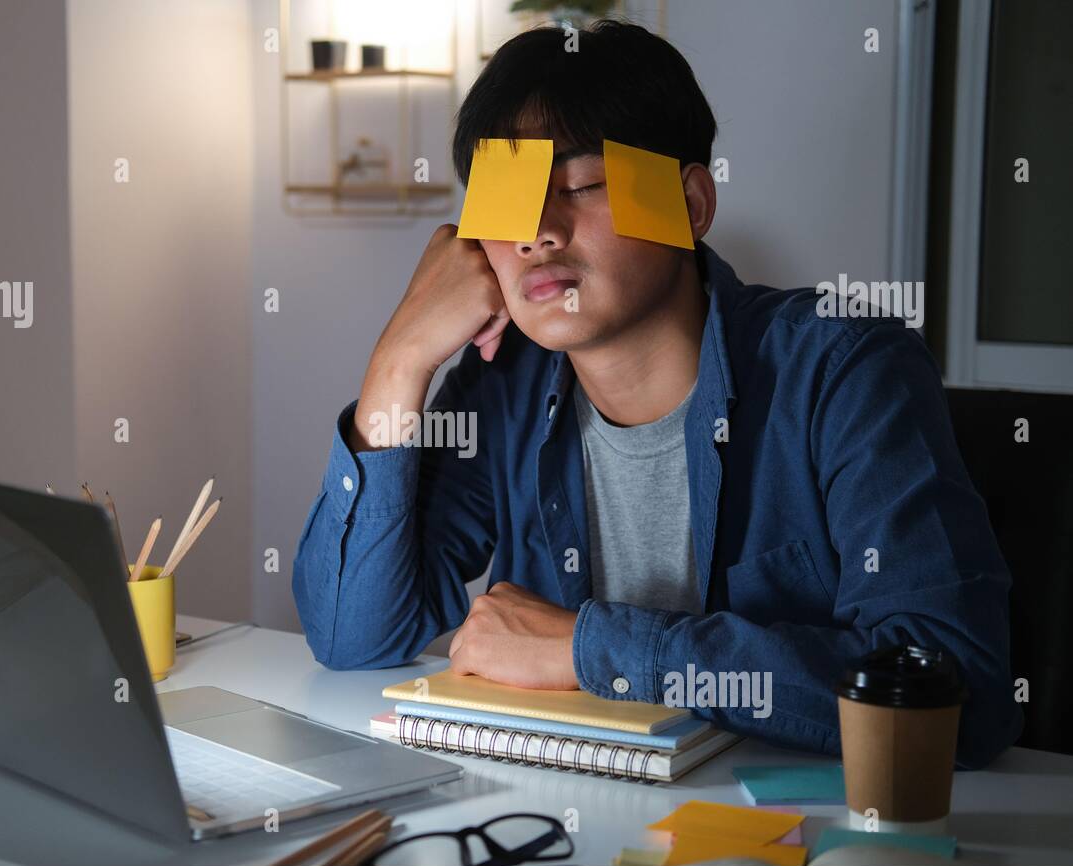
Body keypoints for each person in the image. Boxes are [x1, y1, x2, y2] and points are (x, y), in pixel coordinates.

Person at [291, 19, 1021, 769]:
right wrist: (401, 356)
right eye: (504, 200)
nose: (536, 230)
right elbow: (354, 636)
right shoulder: (506, 385)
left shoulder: (844, 370)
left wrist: (590, 649)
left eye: (577, 184)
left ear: (691, 204)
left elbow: (956, 692)